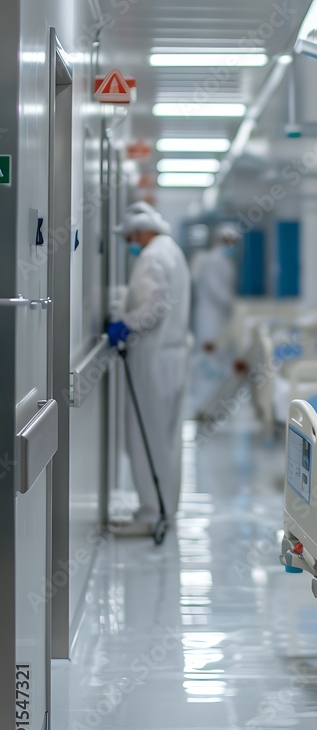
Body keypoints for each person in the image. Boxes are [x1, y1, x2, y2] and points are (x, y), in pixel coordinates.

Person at [107, 202, 192, 537]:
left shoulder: (151, 256)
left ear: (141, 231)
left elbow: (154, 306)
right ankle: (164, 507)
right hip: (173, 356)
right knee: (165, 437)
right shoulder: (172, 251)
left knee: (145, 436)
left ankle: (150, 512)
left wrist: (125, 324)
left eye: (131, 236)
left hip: (153, 358)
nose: (131, 242)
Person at [190, 224, 239, 416]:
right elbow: (216, 290)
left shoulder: (224, 261)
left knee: (217, 359)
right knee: (207, 360)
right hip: (209, 317)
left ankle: (212, 405)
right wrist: (234, 304)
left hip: (218, 317)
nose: (232, 245)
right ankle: (203, 406)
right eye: (230, 241)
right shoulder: (212, 261)